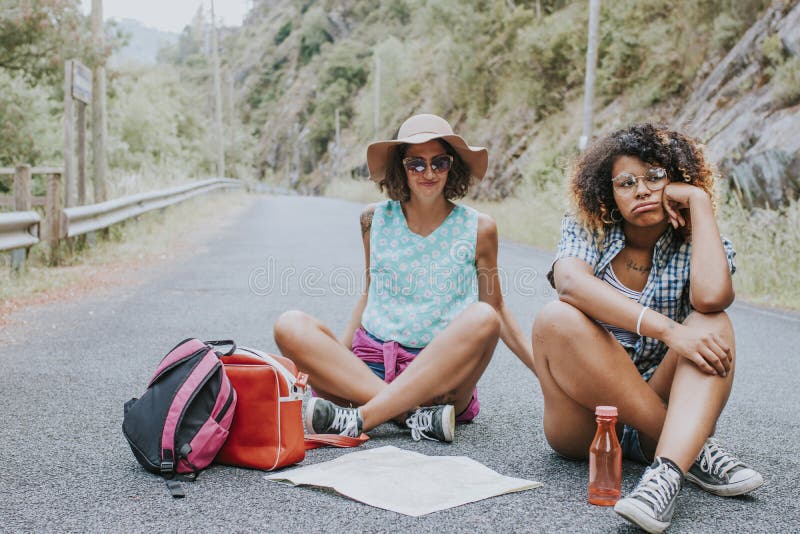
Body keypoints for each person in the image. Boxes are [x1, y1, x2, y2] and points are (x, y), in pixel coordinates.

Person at [532, 123, 763, 532]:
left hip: (657, 393)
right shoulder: (589, 227)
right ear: (608, 194)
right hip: (586, 423)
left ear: (676, 180)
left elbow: (711, 299)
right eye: (626, 182)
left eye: (656, 176)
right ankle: (689, 450)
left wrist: (699, 202)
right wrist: (670, 331)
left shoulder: (697, 238)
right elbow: (569, 283)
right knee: (555, 317)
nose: (642, 190)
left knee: (713, 322)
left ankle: (666, 475)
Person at [274, 113, 534, 443]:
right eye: (416, 164)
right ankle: (410, 417)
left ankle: (360, 419)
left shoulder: (480, 227)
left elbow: (496, 309)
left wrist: (547, 376)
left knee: (484, 317)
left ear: (452, 166)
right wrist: (335, 359)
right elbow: (370, 293)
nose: (429, 173)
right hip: (369, 367)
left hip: (440, 380)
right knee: (289, 324)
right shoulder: (373, 219)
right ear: (402, 167)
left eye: (439, 163)